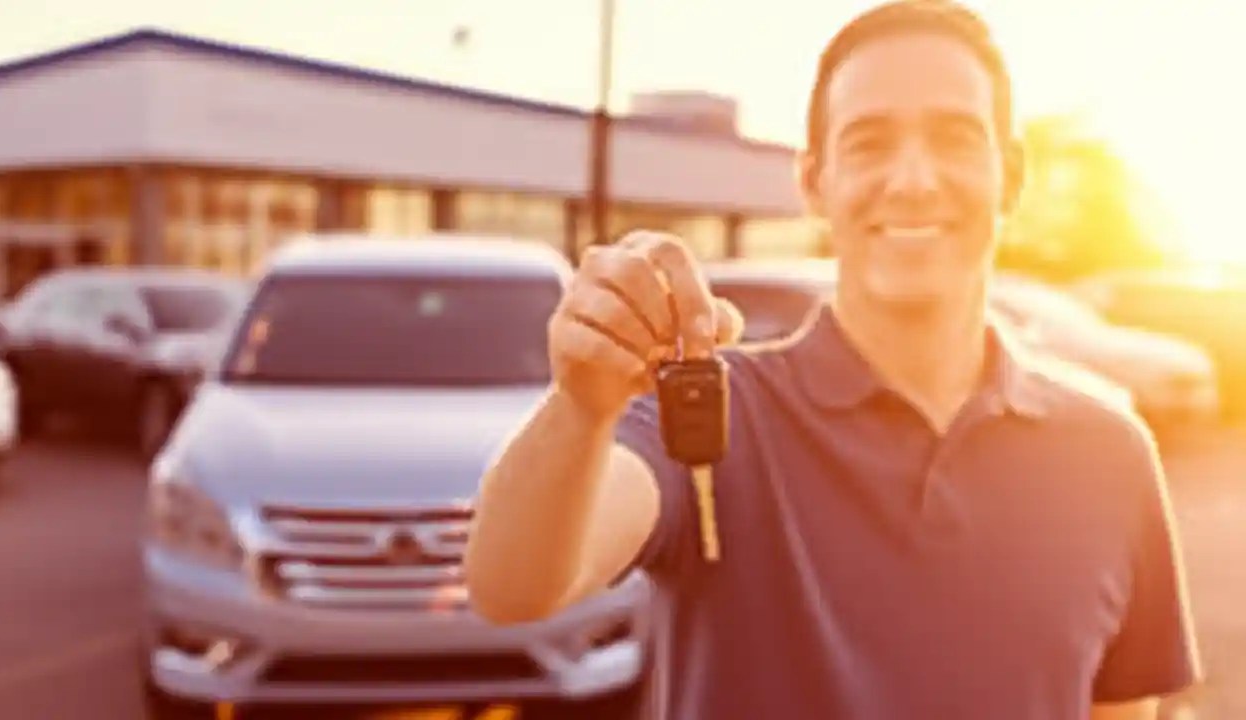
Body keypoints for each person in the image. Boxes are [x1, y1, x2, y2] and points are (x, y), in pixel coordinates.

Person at [464, 1, 1201, 718]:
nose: (913, 180)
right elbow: (512, 587)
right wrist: (581, 408)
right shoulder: (714, 420)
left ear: (1010, 174)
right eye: (870, 142)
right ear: (814, 180)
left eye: (953, 137)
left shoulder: (1109, 454)